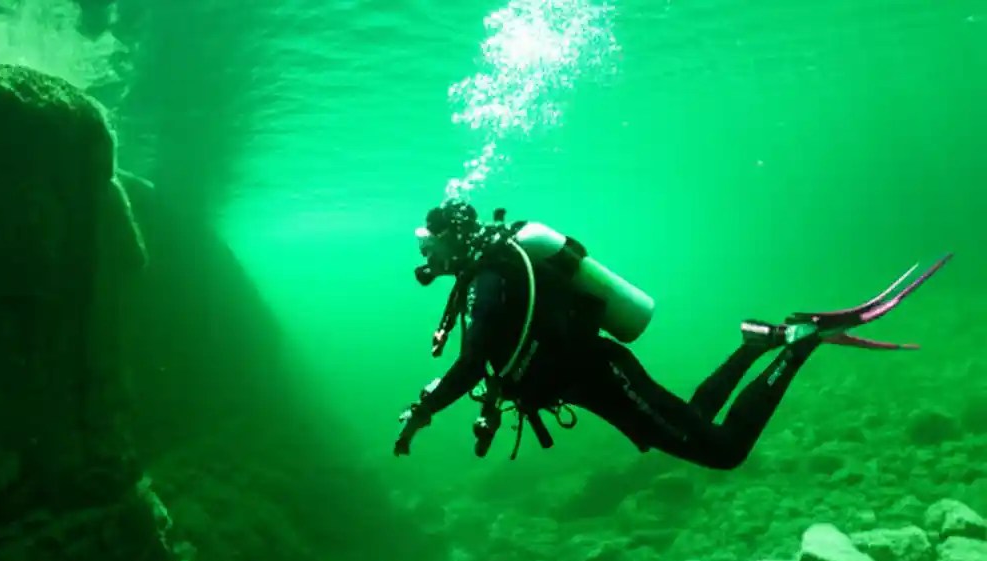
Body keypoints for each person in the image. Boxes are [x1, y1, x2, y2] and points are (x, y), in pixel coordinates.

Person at [393, 199, 952, 469]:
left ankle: (800, 342)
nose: (426, 254)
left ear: (453, 238)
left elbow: (471, 364)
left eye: (429, 243)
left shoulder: (486, 278)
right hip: (592, 377)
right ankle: (753, 345)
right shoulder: (486, 274)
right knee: (692, 418)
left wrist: (424, 410)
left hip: (600, 375)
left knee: (725, 452)